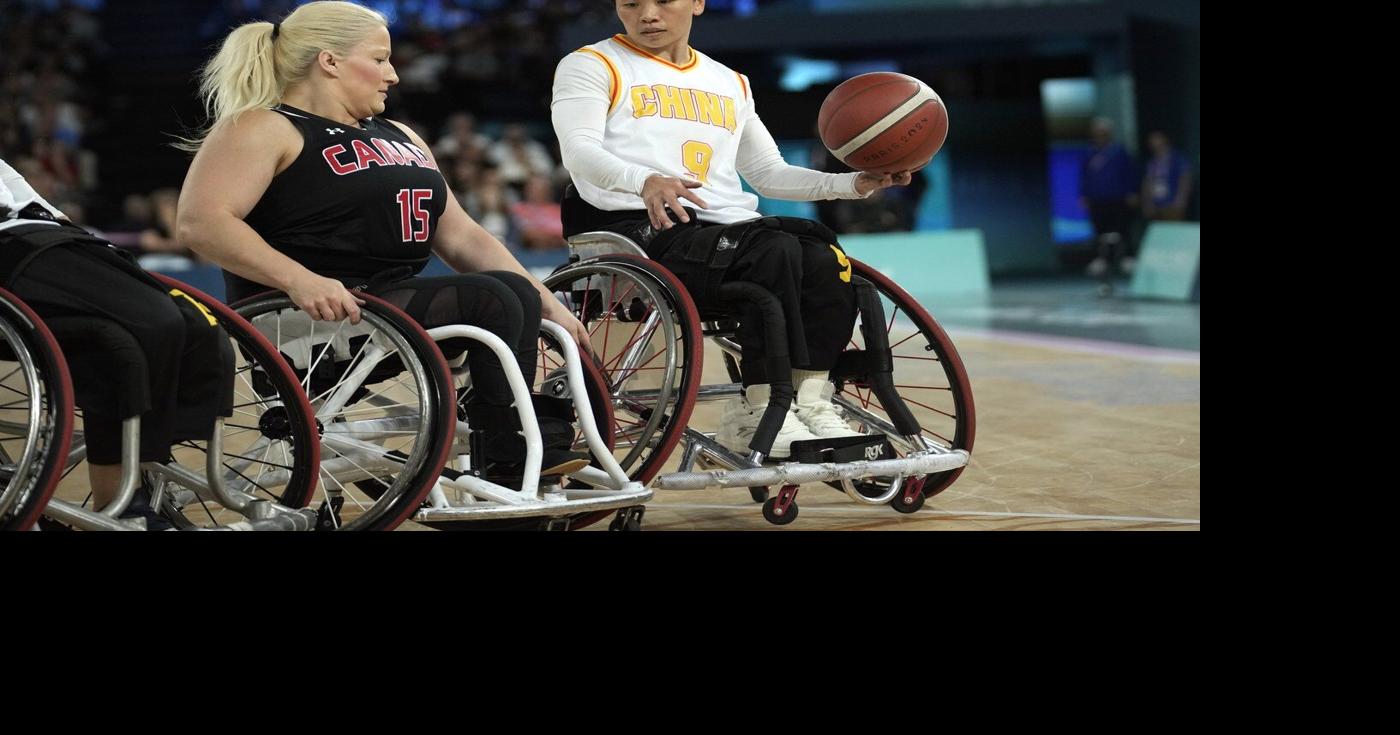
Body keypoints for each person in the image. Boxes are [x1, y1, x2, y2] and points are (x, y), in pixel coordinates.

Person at [174, 1, 592, 483]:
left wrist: (549, 304)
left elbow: (463, 235)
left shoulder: (400, 134)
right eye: (379, 59)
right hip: (302, 316)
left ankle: (520, 440)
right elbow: (202, 222)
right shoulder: (264, 125)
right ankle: (508, 457)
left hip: (383, 309)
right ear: (329, 61)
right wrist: (300, 279)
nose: (392, 75)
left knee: (513, 292)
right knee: (495, 296)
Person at [551, 0, 913, 459]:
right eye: (631, 3)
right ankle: (757, 411)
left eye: (663, 1)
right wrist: (644, 180)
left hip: (727, 231)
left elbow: (767, 172)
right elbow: (579, 151)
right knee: (773, 253)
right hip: (637, 226)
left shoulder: (729, 82)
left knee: (822, 254)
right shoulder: (592, 64)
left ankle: (811, 401)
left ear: (698, 3)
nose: (648, 14)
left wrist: (853, 183)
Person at [2, 156, 233, 529]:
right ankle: (121, 502)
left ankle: (146, 468)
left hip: (53, 236)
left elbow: (33, 199)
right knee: (136, 330)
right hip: (14, 248)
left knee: (198, 326)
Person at [1078, 117, 1138, 293]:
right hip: (1097, 200)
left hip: (1117, 199)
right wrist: (1084, 195)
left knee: (1120, 230)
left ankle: (1127, 256)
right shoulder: (1089, 153)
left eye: (1103, 133)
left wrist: (1131, 192)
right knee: (1101, 234)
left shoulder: (1118, 152)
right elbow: (1084, 176)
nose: (1100, 136)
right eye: (1097, 133)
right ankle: (1101, 262)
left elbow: (1129, 173)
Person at [1142, 130, 1193, 222]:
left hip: (1172, 203)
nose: (1154, 142)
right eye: (1151, 139)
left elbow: (1185, 178)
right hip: (1156, 204)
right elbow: (1147, 182)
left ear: (1164, 139)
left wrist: (1180, 200)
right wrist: (1148, 203)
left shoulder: (1177, 158)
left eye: (1156, 138)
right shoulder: (1152, 162)